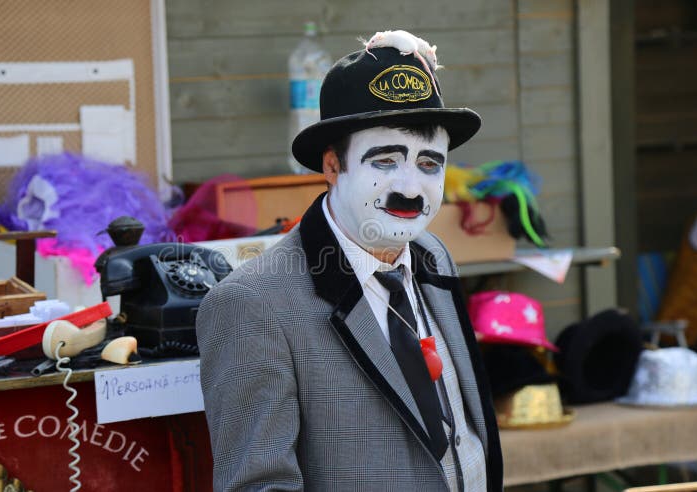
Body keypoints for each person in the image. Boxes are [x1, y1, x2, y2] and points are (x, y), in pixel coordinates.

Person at [197, 30, 503, 491]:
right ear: (333, 166)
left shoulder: (432, 257)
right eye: (384, 161)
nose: (409, 187)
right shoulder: (253, 304)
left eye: (429, 164)